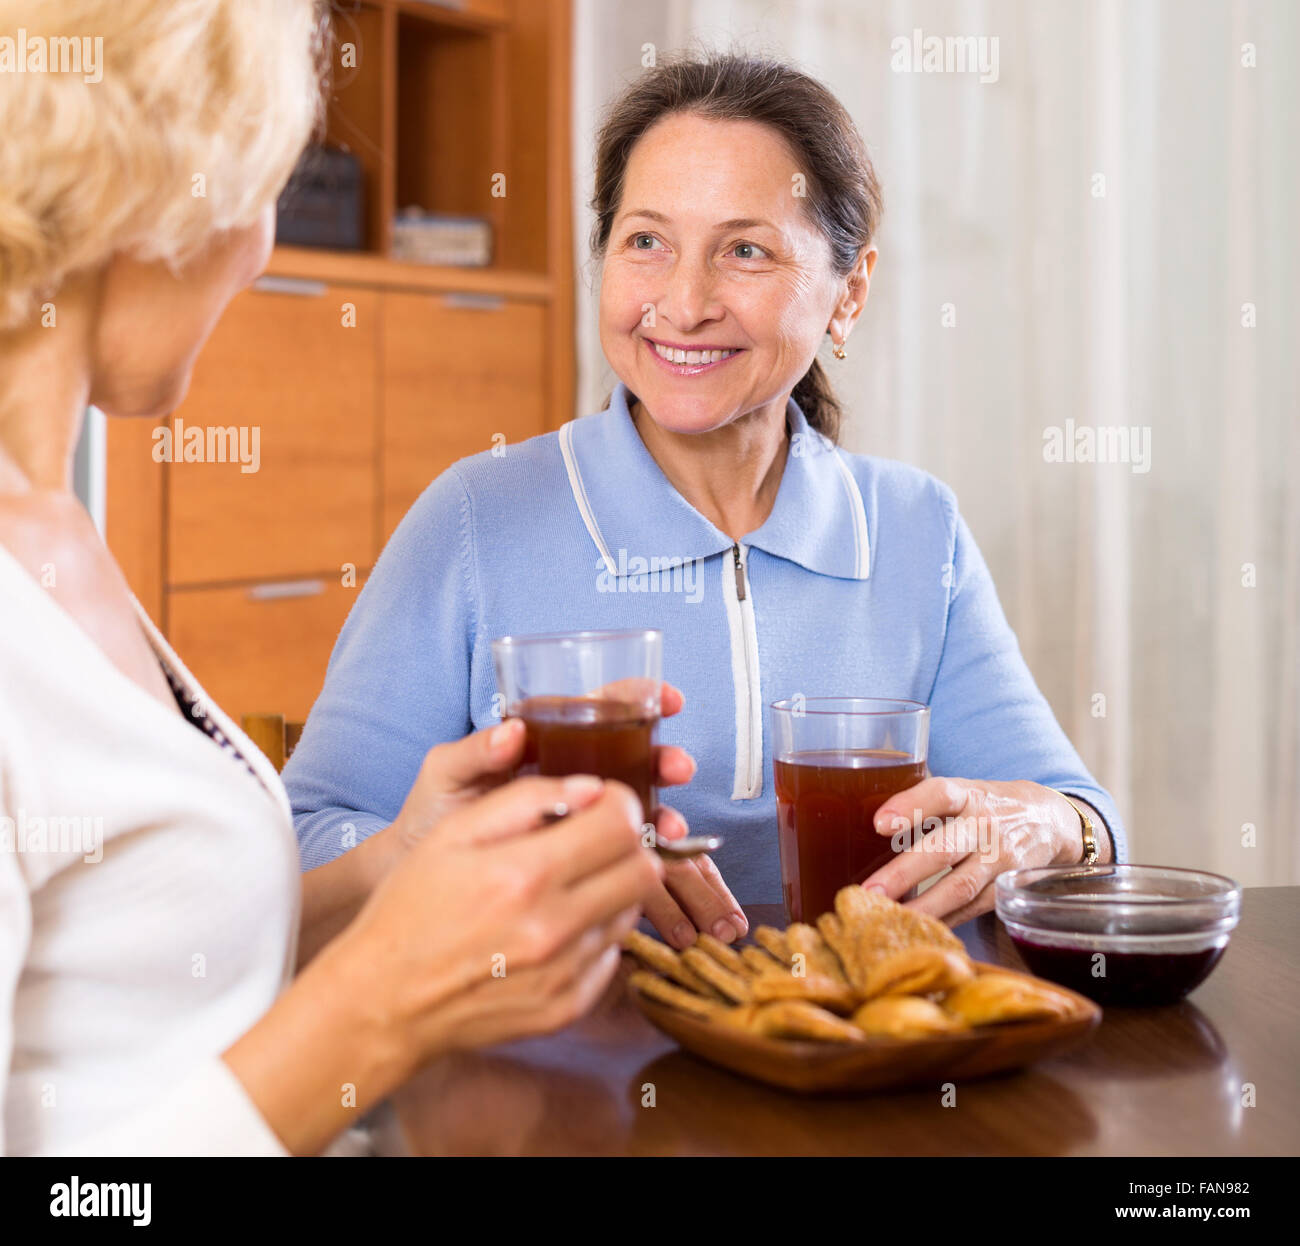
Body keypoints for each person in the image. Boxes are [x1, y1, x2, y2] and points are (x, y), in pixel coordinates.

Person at [0, 0, 675, 1156]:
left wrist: (396, 870)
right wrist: (386, 1004)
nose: (265, 245)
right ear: (153, 193)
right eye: (265, 180)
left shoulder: (51, 529)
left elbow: (140, 977)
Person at [285, 52, 1126, 948]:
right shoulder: (475, 517)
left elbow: (1082, 818)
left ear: (849, 293)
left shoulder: (919, 530)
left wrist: (1051, 828)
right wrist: (473, 861)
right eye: (646, 241)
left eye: (746, 251)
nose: (683, 305)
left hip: (857, 1057)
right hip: (552, 1056)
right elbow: (309, 840)